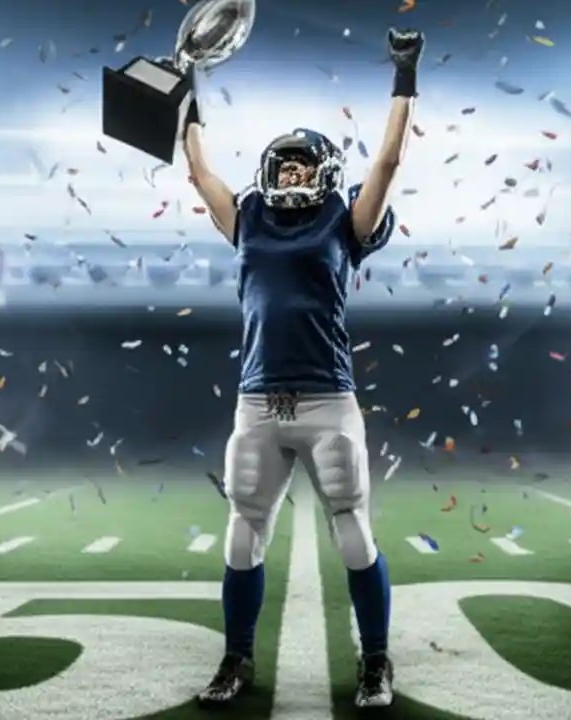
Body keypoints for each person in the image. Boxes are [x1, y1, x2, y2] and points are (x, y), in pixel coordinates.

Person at [181, 26, 424, 710]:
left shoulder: (344, 220)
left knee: (351, 529)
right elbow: (199, 172)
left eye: (302, 165)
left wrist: (403, 77)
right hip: (259, 400)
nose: (291, 173)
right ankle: (236, 659)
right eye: (283, 165)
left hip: (325, 400)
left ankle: (376, 661)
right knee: (242, 532)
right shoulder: (249, 217)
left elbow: (387, 163)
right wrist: (187, 83)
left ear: (322, 172)